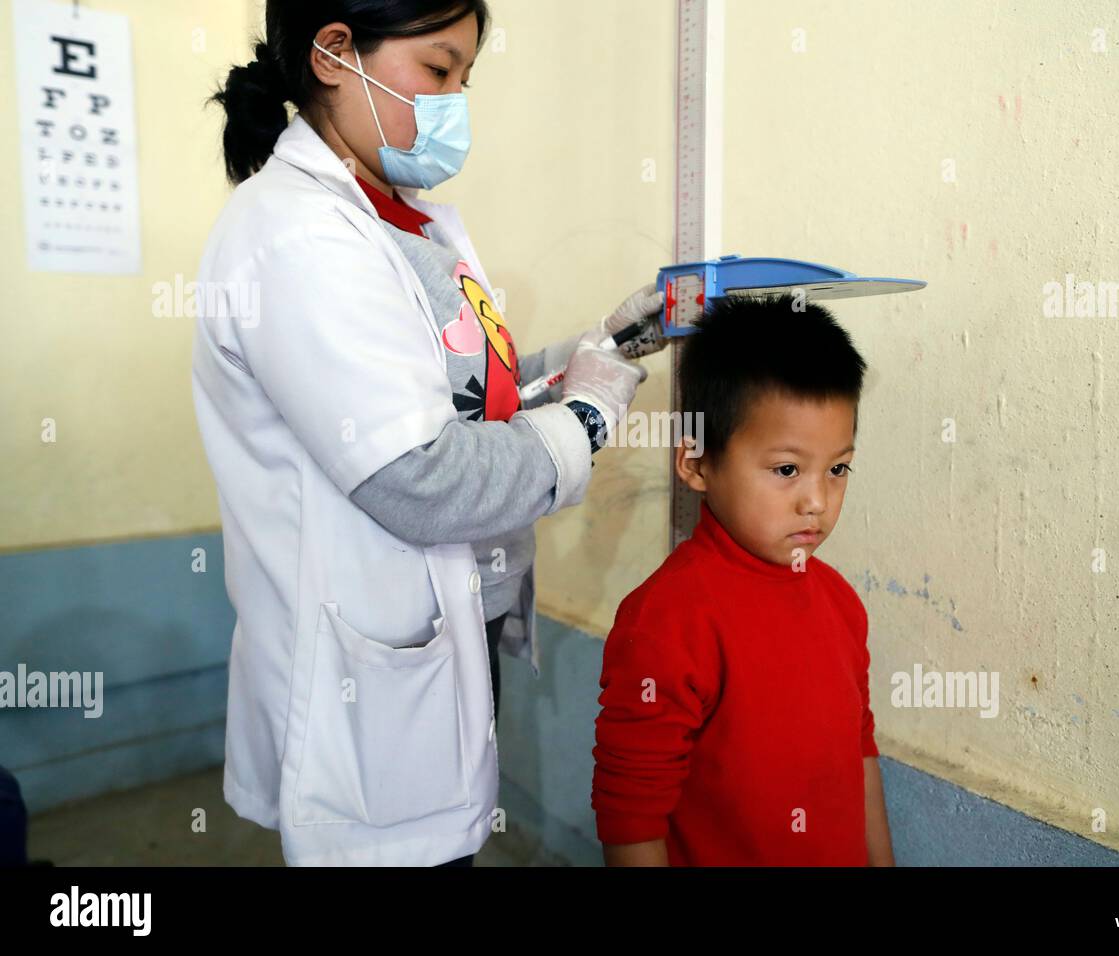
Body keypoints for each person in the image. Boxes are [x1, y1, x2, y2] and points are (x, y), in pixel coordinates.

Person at [194, 0, 665, 866]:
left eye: (466, 79)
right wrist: (588, 419)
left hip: (452, 624)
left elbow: (470, 396)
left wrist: (611, 344)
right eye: (439, 72)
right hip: (366, 666)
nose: (456, 103)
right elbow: (419, 472)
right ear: (335, 53)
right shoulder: (294, 234)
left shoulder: (407, 218)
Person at [591, 293, 895, 866]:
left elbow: (860, 754)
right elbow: (630, 817)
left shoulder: (840, 603)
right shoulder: (669, 619)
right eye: (786, 470)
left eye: (838, 468)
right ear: (697, 463)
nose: (817, 500)